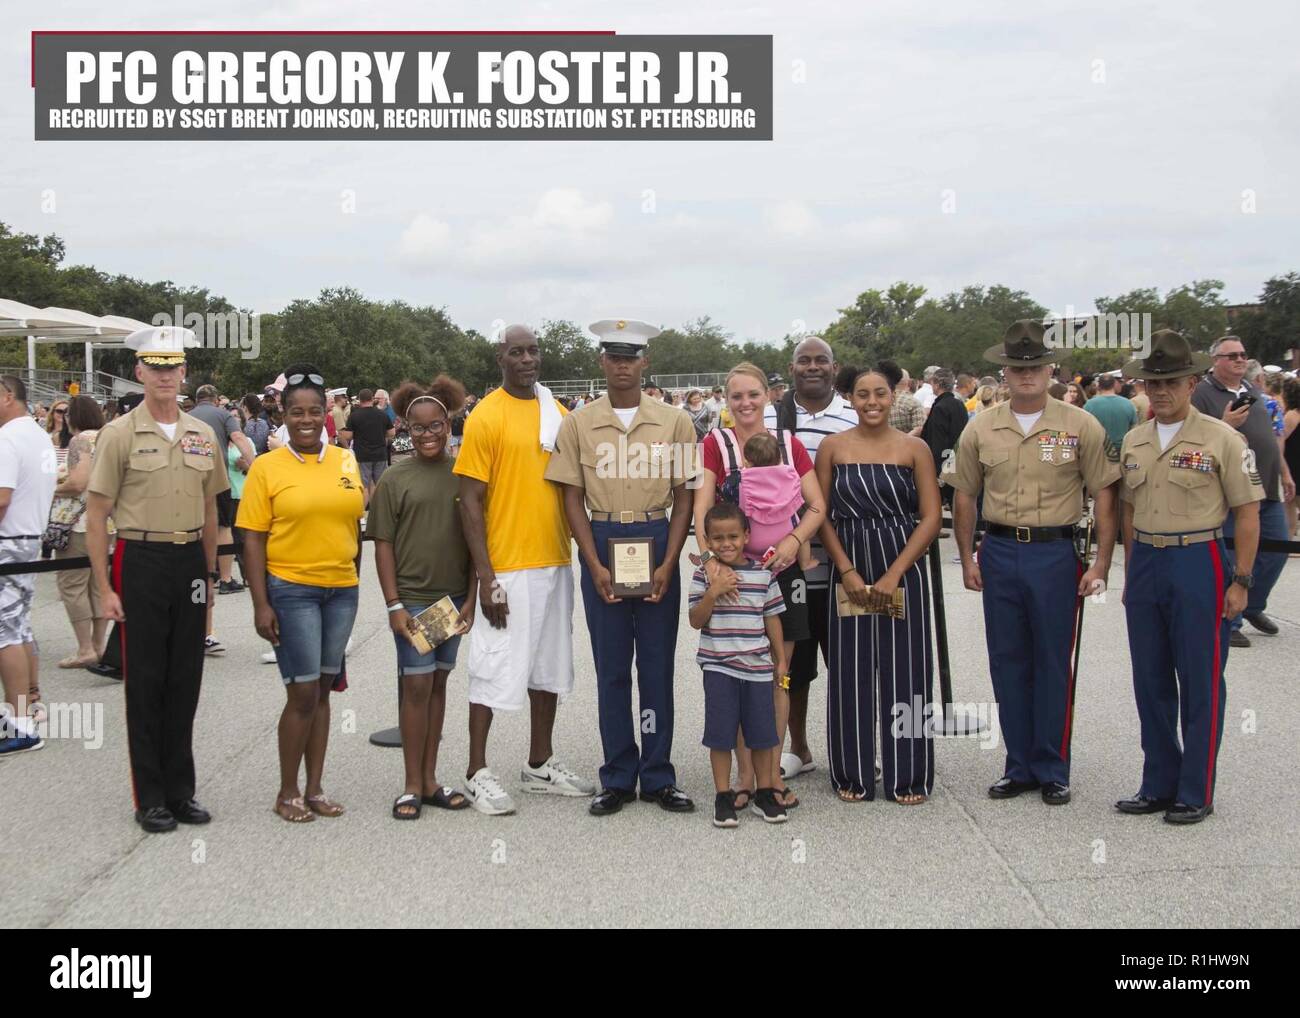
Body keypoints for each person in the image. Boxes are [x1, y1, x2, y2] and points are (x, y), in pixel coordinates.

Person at [947, 320, 1119, 805]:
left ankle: (1052, 765)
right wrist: (966, 557)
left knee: (1051, 661)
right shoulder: (981, 425)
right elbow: (964, 494)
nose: (1026, 375)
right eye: (1017, 367)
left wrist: (1100, 562)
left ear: (1050, 369)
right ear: (1004, 370)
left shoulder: (1079, 424)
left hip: (1054, 554)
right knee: (1007, 662)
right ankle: (1018, 764)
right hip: (999, 551)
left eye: (1035, 366)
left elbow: (1105, 493)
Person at [546, 319, 698, 816]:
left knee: (655, 668)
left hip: (656, 538)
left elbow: (685, 494)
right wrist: (592, 563)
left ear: (644, 362)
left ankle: (657, 775)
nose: (622, 366)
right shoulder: (578, 422)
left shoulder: (675, 421)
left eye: (630, 357)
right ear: (602, 363)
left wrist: (669, 560)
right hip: (603, 537)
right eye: (613, 357)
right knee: (612, 669)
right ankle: (615, 775)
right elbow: (570, 498)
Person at [1116, 330, 1263, 824]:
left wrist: (1241, 580)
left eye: (1171, 381)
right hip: (1148, 564)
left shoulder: (1223, 438)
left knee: (1200, 678)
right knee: (1150, 678)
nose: (1160, 391)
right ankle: (1158, 781)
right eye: (1153, 382)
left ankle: (1195, 789)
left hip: (1199, 560)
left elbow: (1247, 513)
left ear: (1192, 382)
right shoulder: (1135, 439)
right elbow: (1129, 509)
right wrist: (1133, 572)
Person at [85, 328, 227, 831]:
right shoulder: (119, 433)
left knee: (185, 677)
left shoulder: (201, 433)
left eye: (174, 366)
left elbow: (210, 509)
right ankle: (150, 796)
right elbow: (97, 512)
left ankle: (181, 790)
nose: (166, 375)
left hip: (189, 558)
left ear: (184, 372)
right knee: (145, 680)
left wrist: (210, 574)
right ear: (139, 372)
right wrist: (104, 587)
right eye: (155, 366)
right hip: (139, 556)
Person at [454, 323, 595, 815]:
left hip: (555, 560)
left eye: (533, 351)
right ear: (501, 358)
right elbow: (469, 502)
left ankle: (539, 763)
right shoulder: (485, 417)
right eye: (517, 352)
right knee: (492, 667)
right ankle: (476, 771)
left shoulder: (554, 411)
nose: (528, 359)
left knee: (549, 669)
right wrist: (486, 577)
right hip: (507, 565)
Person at [696, 361, 827, 810]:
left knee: (778, 671)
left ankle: (771, 776)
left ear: (768, 396)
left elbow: (817, 505)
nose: (746, 403)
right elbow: (703, 507)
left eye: (753, 394)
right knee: (735, 668)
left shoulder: (788, 443)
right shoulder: (715, 443)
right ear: (727, 401)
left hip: (782, 570)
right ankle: (745, 775)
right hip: (738, 574)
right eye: (736, 396)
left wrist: (794, 541)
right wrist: (711, 560)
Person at [238, 364, 365, 824]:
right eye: (297, 412)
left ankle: (315, 788)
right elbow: (251, 537)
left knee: (326, 691)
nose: (306, 420)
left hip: (341, 591)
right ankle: (287, 790)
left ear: (326, 412)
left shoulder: (345, 460)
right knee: (303, 694)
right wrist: (260, 602)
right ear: (284, 415)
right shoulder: (267, 468)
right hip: (292, 591)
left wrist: (354, 575)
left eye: (314, 411)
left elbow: (354, 521)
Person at [815, 366, 942, 802]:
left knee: (907, 670)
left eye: (880, 393)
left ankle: (908, 775)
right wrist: (848, 571)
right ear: (850, 397)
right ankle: (852, 773)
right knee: (850, 670)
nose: (872, 402)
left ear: (894, 396)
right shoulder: (832, 448)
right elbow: (822, 514)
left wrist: (893, 575)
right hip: (849, 563)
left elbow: (930, 518)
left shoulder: (915, 448)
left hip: (900, 562)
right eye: (863, 394)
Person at [370, 377, 477, 819]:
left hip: (452, 602)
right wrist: (394, 605)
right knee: (415, 685)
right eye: (418, 427)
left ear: (449, 424)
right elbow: (382, 545)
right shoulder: (395, 479)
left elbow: (476, 541)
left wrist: (471, 597)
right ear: (404, 428)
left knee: (437, 686)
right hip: (413, 600)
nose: (428, 434)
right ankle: (411, 784)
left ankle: (431, 780)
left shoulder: (464, 474)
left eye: (436, 426)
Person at [764, 336, 857, 778]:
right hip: (788, 565)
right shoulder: (770, 417)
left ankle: (853, 747)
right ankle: (797, 747)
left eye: (822, 361)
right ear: (792, 367)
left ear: (834, 369)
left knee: (851, 660)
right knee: (794, 665)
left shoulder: (855, 417)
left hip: (847, 560)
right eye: (805, 361)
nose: (813, 367)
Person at [688, 502, 789, 827]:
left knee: (762, 734)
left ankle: (763, 792)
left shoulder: (763, 575)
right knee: (720, 735)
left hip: (757, 668)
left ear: (747, 536)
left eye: (733, 536)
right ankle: (722, 796)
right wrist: (713, 593)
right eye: (717, 538)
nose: (726, 544)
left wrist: (781, 659)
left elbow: (772, 617)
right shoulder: (705, 576)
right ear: (707, 540)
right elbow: (695, 620)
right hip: (719, 667)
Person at [1192, 335, 1294, 647]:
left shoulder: (1252, 389)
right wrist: (1226, 424)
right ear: (1215, 361)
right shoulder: (1202, 393)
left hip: (1267, 486)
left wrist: (1285, 473)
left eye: (1242, 354)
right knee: (1235, 555)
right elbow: (1195, 438)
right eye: (1231, 355)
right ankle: (1230, 617)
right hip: (1231, 491)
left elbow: (1270, 437)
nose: (1239, 360)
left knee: (1278, 549)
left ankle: (1252, 604)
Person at [0, 374, 58, 755]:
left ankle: (19, 722)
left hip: (9, 540)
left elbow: (1, 498)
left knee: (5, 632)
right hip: (29, 537)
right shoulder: (36, 434)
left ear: (7, 397)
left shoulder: (7, 438)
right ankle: (30, 706)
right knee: (18, 628)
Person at [51, 395, 110, 669]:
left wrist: (52, 487)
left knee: (72, 584)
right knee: (98, 585)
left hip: (79, 522)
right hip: (108, 522)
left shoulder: (80, 441)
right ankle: (99, 645)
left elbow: (78, 482)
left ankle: (85, 647)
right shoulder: (109, 436)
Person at [190, 384, 255, 599]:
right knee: (223, 527)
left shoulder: (186, 416)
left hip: (191, 481)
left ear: (197, 399)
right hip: (218, 478)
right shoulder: (223, 415)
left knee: (196, 528)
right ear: (216, 399)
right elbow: (238, 438)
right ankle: (226, 578)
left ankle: (201, 578)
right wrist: (254, 466)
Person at [919, 368, 968, 505]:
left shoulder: (940, 408)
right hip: (959, 461)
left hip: (945, 465)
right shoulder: (959, 405)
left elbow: (937, 442)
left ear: (936, 384)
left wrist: (936, 471)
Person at [341, 388, 394, 500]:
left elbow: (348, 436)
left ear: (360, 400)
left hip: (362, 455)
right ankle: (376, 510)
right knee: (378, 484)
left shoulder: (354, 416)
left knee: (363, 485)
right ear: (372, 399)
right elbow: (392, 433)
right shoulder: (382, 415)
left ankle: (363, 513)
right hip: (380, 454)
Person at [1084, 373, 1138, 453]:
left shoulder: (1089, 405)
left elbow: (1085, 430)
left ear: (1098, 386)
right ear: (1114, 385)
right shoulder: (1128, 404)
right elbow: (1135, 428)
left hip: (1099, 450)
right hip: (1122, 449)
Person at [1283, 377, 1300, 538]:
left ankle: (1288, 543)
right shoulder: (1294, 414)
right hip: (1294, 466)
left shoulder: (1291, 415)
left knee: (1290, 509)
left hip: (1294, 467)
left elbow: (1280, 438)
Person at [887, 365, 925, 435]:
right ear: (909, 382)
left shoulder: (884, 401)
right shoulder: (914, 403)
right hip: (909, 444)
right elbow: (920, 428)